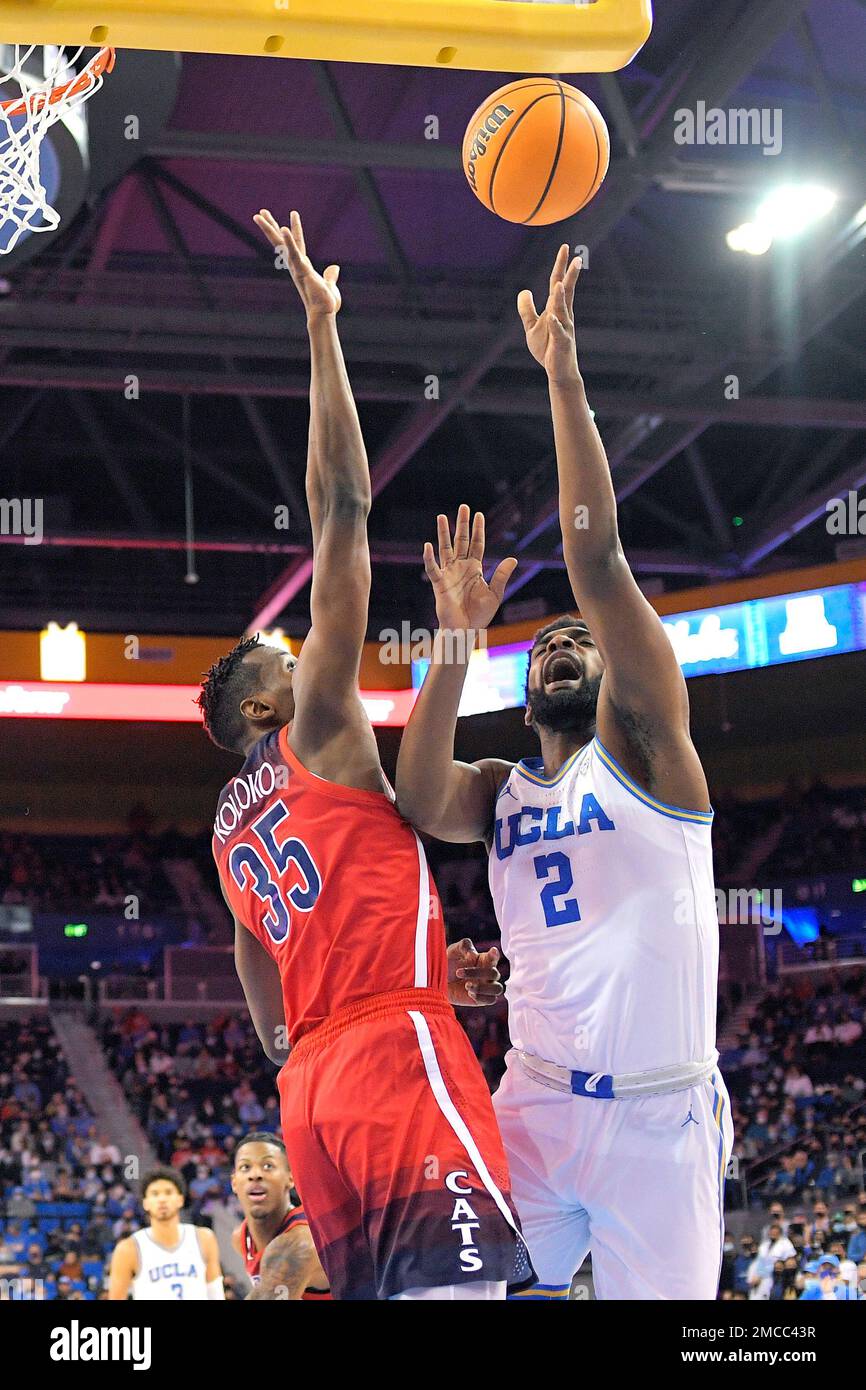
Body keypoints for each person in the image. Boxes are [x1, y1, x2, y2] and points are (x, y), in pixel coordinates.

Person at [200, 209, 530, 1302]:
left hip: (313, 1085)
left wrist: (339, 1021)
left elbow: (261, 986)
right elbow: (340, 506)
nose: (303, 655)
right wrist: (321, 324)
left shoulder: (223, 828)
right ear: (261, 710)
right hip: (390, 1051)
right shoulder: (317, 727)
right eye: (281, 658)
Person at [395, 244, 733, 1300]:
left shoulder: (649, 755)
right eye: (539, 648)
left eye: (574, 646)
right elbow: (413, 793)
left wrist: (562, 374)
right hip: (534, 1100)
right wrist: (453, 642)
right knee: (436, 1287)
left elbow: (594, 560)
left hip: (657, 1115)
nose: (556, 649)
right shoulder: (499, 788)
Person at [231, 1132, 329, 1300]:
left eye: (268, 1165)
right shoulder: (241, 1237)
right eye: (245, 1167)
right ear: (234, 1183)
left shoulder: (301, 1242)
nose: (255, 1175)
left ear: (291, 1178)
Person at [107, 1168, 223, 1300]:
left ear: (180, 1199)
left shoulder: (204, 1238)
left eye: (168, 1193)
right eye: (155, 1194)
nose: (162, 1199)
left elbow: (215, 1293)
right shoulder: (128, 1249)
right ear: (145, 1203)